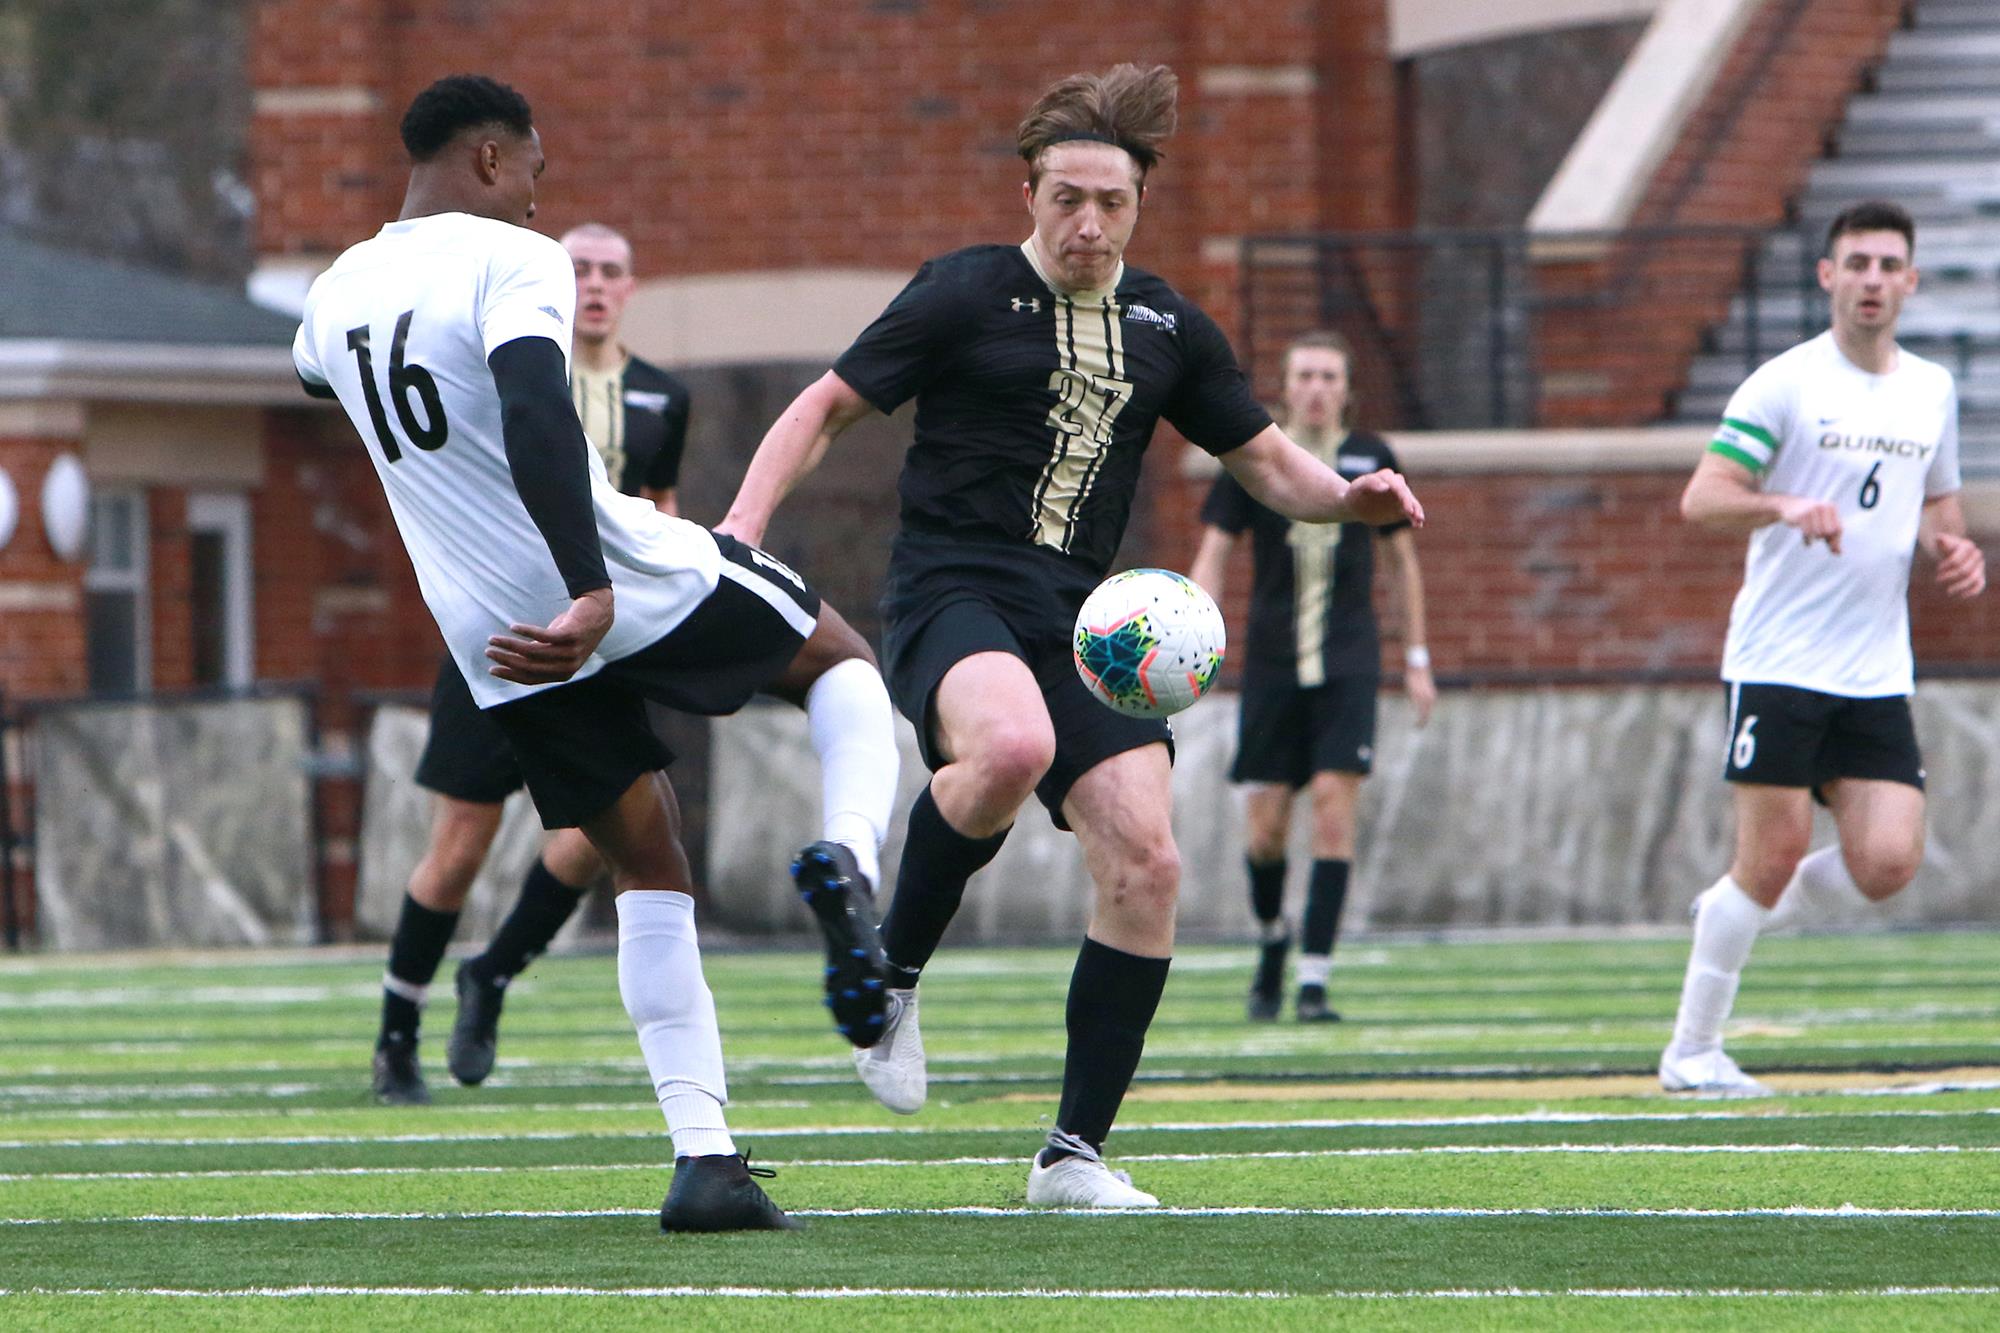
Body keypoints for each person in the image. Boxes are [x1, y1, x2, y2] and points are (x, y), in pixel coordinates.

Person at [720, 64, 1422, 1207]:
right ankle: (888, 975)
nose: (1087, 222)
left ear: (1139, 204)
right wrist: (742, 534)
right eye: (1064, 198)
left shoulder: (1167, 326)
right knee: (1005, 749)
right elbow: (820, 409)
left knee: (1147, 863)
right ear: (1028, 195)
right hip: (951, 588)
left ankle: (1071, 1158)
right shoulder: (958, 294)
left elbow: (1262, 460)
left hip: (1080, 619)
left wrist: (1351, 500)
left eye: (1110, 202)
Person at [295, 74, 902, 1231]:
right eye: (533, 171)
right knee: (840, 663)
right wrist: (588, 582)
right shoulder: (509, 257)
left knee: (643, 859)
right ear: (486, 160)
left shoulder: (336, 290)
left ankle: (704, 1157)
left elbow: (314, 374)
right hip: (607, 574)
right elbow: (532, 402)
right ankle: (847, 856)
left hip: (489, 633)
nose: (537, 200)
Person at [1662, 199, 1984, 1095]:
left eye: (1889, 265)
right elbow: (1704, 496)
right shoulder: (1786, 384)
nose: (1873, 279)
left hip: (1876, 668)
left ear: (1912, 281)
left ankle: (1729, 911)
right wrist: (1781, 504)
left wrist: (1950, 548)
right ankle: (1692, 1053)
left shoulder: (1931, 390)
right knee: (1771, 854)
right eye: (1858, 263)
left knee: (1888, 862)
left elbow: (1937, 503)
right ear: (1828, 277)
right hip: (1778, 660)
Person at [371, 221, 696, 1107]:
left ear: (632, 287)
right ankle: (396, 1031)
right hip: (498, 630)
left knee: (597, 840)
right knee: (460, 842)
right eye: (580, 266)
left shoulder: (660, 397)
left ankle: (494, 974)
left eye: (611, 271)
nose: (593, 283)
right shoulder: (504, 359)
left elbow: (664, 511)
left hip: (603, 638)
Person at [1187, 330, 1434, 1024]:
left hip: (1349, 661)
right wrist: (1191, 640)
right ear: (1286, 387)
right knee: (1264, 831)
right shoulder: (1255, 457)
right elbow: (1213, 552)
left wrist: (1416, 657)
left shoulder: (1373, 458)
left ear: (1347, 389)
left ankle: (1316, 979)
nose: (1318, 388)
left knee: (1332, 805)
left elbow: (1402, 564)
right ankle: (1272, 937)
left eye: (1330, 375)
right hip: (1270, 663)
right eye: (1306, 376)